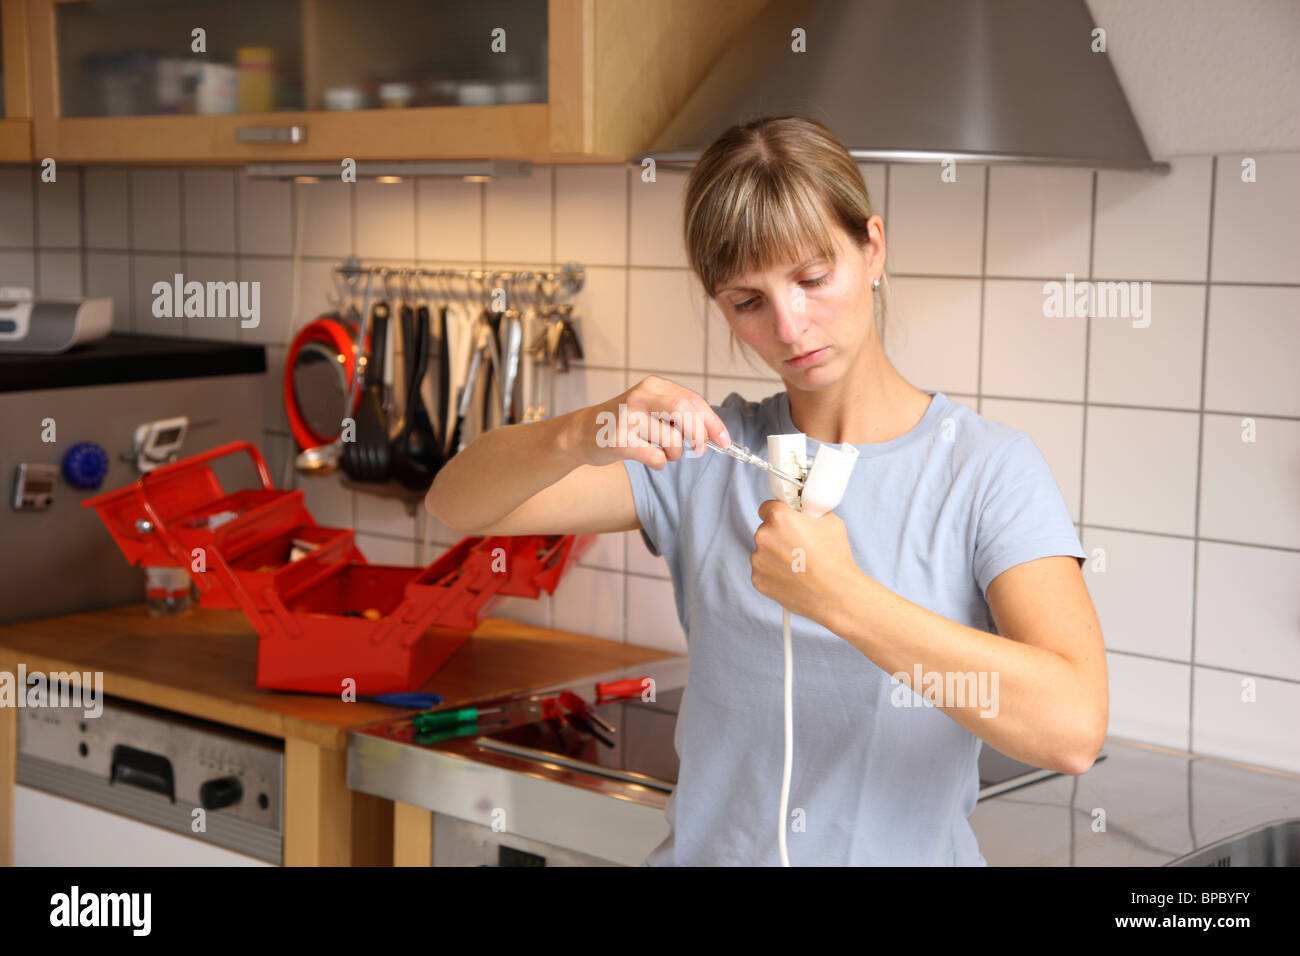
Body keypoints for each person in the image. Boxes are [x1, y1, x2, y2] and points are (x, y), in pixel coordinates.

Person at [427, 115, 1107, 866]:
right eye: (747, 302)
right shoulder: (708, 453)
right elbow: (455, 503)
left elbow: (1073, 729)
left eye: (813, 279)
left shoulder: (985, 470)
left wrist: (840, 597)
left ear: (872, 248)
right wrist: (579, 432)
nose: (790, 326)